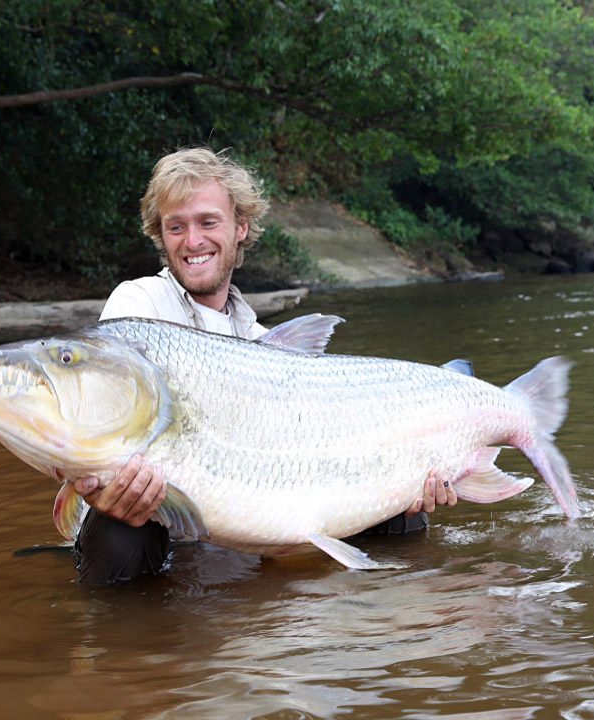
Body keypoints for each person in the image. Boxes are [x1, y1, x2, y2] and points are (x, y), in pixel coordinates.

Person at [70, 147, 456, 584]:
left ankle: (369, 619)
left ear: (241, 227)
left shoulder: (261, 343)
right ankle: (127, 645)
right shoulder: (136, 307)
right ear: (162, 236)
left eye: (208, 222)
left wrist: (400, 481)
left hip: (236, 534)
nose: (193, 241)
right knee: (125, 537)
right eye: (176, 227)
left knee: (404, 520)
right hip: (149, 528)